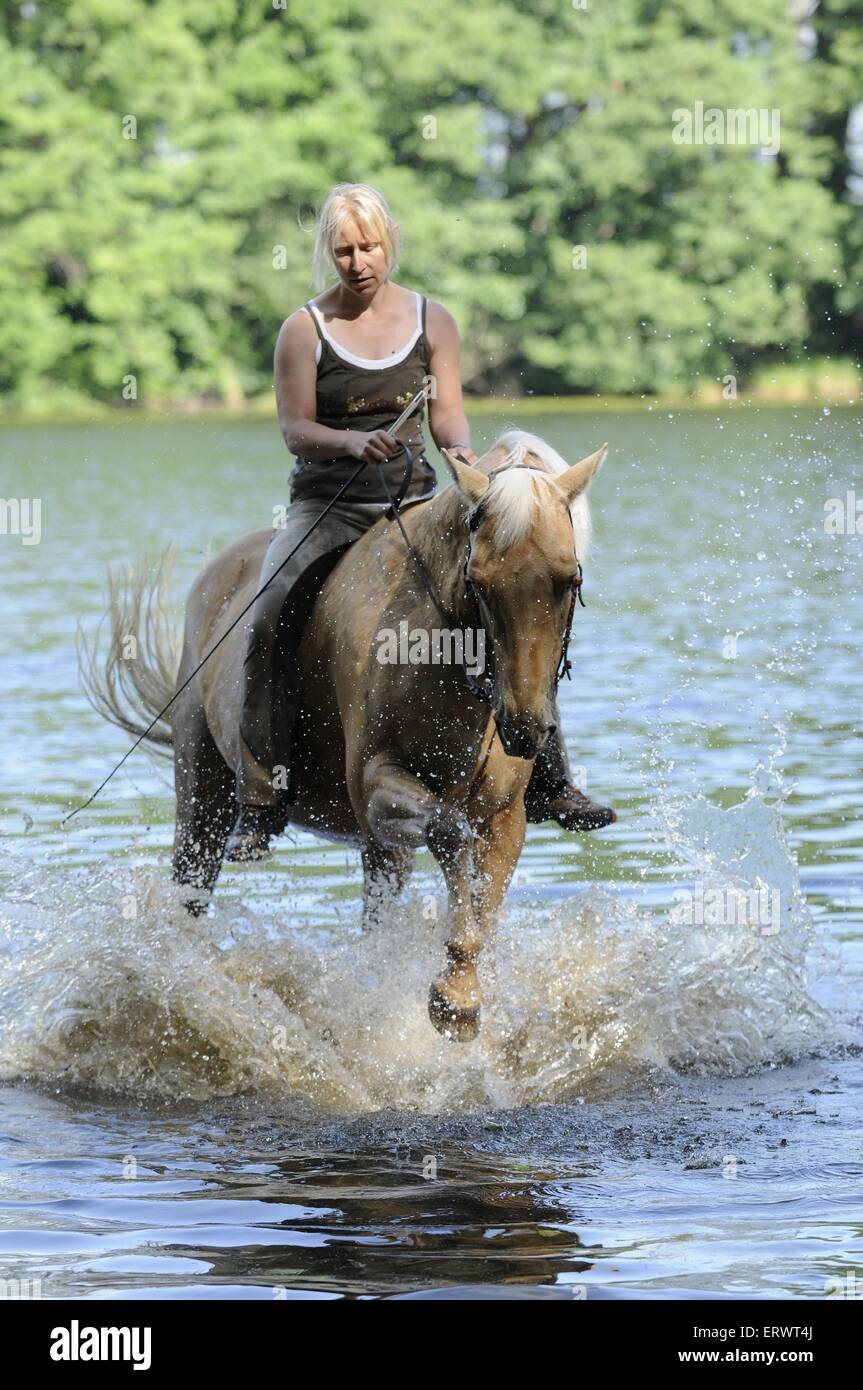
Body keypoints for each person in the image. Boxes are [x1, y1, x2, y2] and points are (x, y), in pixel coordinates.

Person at [225, 182, 615, 861]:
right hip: (328, 509)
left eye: (370, 246)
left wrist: (466, 462)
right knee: (270, 613)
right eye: (344, 251)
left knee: (515, 598)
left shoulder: (433, 321)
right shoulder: (303, 330)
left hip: (415, 504)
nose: (358, 262)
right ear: (328, 254)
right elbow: (295, 430)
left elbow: (449, 423)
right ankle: (261, 800)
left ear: (391, 243)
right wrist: (351, 442)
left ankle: (550, 777)